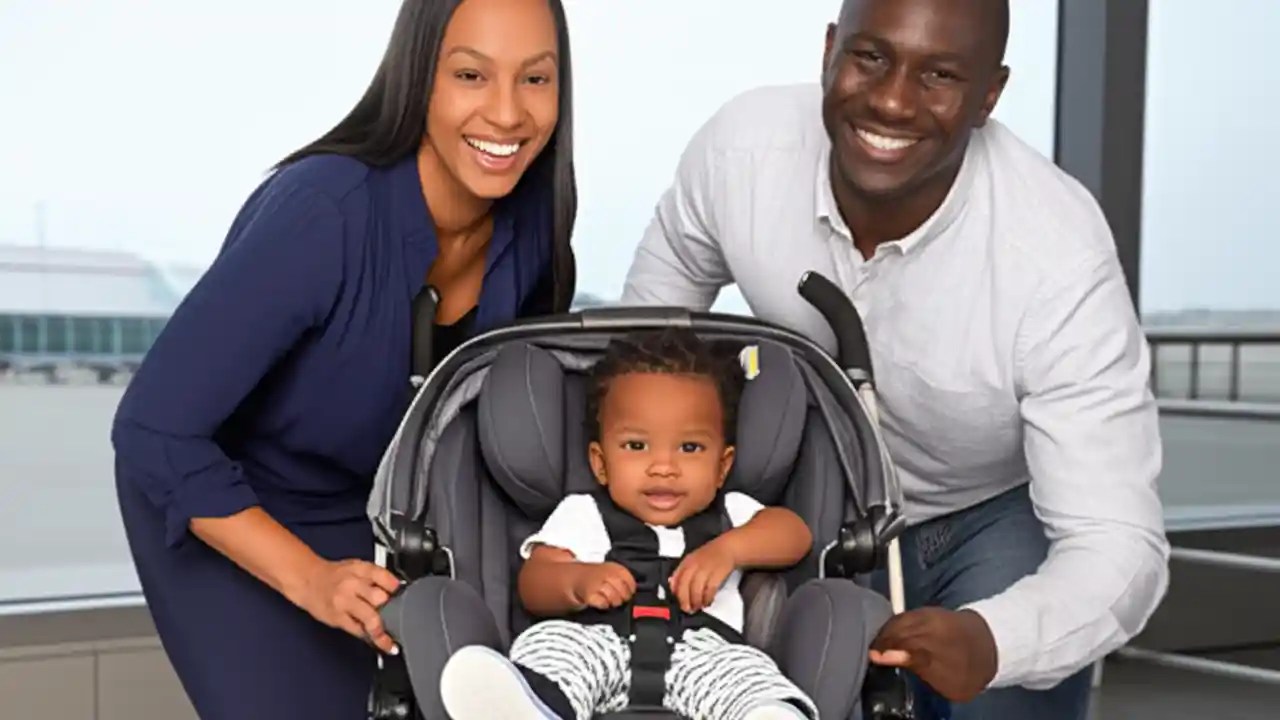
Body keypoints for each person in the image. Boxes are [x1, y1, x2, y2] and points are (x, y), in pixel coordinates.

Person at [619, 0, 1169, 718]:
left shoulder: (1057, 256)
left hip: (990, 508)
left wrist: (993, 639)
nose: (890, 100)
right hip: (815, 501)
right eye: (870, 57)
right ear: (828, 51)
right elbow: (630, 352)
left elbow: (1117, 543)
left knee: (995, 697)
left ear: (989, 98)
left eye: (938, 74)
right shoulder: (739, 155)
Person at [110, 0, 576, 716]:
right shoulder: (322, 212)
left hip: (374, 513)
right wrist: (311, 580)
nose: (508, 114)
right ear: (419, 76)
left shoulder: (537, 230)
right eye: (471, 74)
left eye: (535, 79)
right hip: (229, 505)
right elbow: (154, 430)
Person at [437, 329, 819, 720]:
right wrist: (577, 582)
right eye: (637, 446)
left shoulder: (731, 513)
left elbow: (794, 534)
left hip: (704, 652)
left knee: (747, 674)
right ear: (601, 463)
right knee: (553, 649)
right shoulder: (583, 512)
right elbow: (535, 582)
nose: (664, 467)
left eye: (690, 448)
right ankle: (535, 707)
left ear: (722, 467)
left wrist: (728, 549)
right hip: (597, 639)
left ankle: (766, 714)